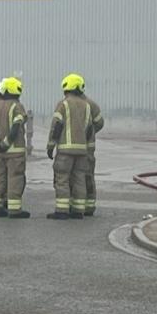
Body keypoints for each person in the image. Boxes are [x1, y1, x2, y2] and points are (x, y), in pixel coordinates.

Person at [46, 73, 92, 220]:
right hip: (82, 150)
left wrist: (50, 145)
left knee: (62, 179)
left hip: (65, 150)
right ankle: (78, 210)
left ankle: (62, 211)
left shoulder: (63, 104)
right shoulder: (87, 106)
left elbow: (57, 126)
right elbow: (90, 128)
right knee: (79, 179)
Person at [0, 77, 29, 218]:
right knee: (14, 179)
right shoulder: (16, 106)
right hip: (14, 151)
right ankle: (14, 210)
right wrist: (6, 143)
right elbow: (16, 126)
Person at [83, 84, 104, 216]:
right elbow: (100, 123)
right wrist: (91, 132)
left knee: (74, 178)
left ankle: (75, 205)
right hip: (87, 148)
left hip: (73, 149)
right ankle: (89, 206)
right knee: (87, 177)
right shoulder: (91, 104)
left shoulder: (65, 104)